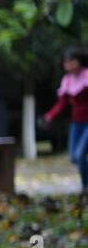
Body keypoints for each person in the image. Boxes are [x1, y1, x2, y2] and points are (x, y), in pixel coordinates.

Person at [42, 46, 88, 192]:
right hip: (77, 123)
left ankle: (85, 186)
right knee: (74, 157)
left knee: (80, 154)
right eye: (66, 61)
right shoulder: (67, 81)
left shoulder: (87, 76)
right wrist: (49, 116)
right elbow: (61, 104)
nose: (68, 64)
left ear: (79, 61)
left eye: (71, 61)